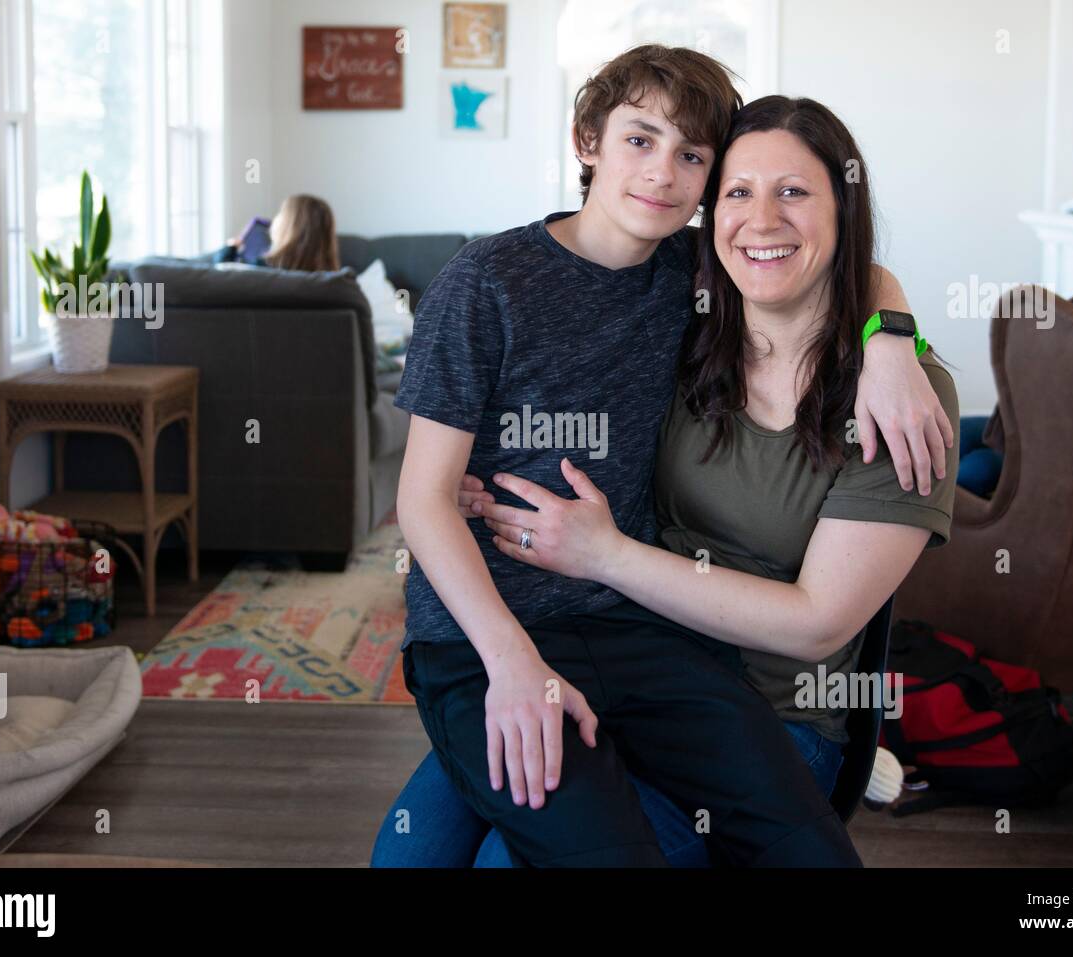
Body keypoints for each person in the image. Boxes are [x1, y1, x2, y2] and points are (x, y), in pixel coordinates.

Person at [378, 45, 953, 868]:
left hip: (628, 630)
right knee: (415, 854)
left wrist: (892, 340)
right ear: (587, 140)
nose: (662, 173)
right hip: (487, 637)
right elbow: (423, 498)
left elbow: (835, 262)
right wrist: (511, 661)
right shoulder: (488, 281)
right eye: (640, 140)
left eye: (692, 155)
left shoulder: (697, 275)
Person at [213, 194, 341, 272]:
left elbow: (224, 270)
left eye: (280, 213)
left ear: (288, 227)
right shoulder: (330, 280)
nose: (274, 220)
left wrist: (230, 248)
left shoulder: (262, 269)